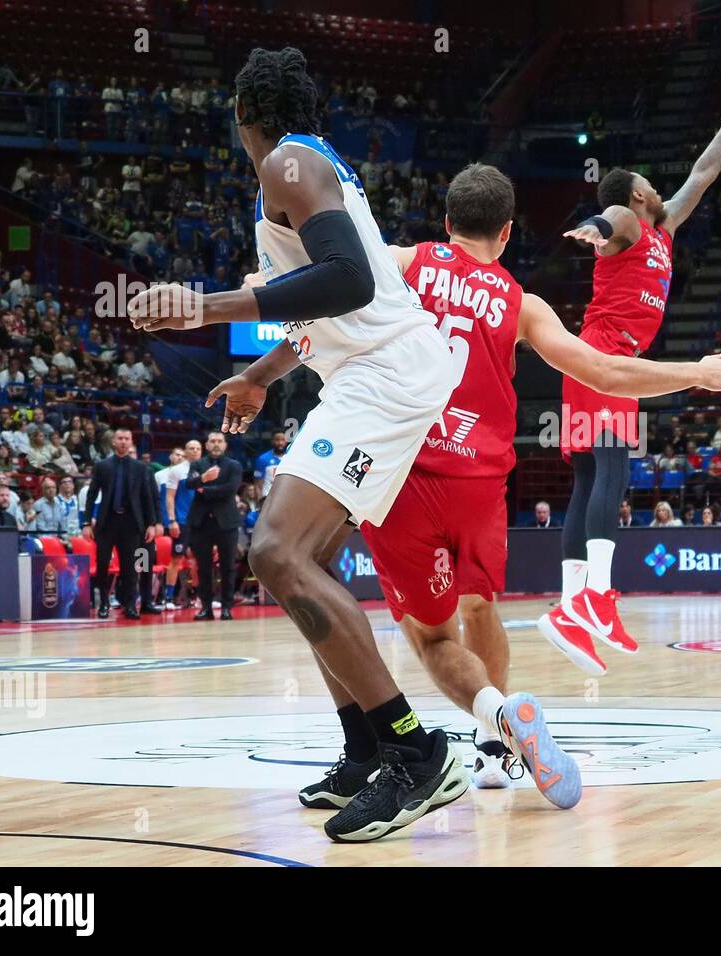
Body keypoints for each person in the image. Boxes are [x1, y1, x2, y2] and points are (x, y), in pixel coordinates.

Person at [130, 46, 467, 842]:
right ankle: (361, 751)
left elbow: (348, 281)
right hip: (374, 372)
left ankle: (419, 756)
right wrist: (262, 375)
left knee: (274, 552)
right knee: (297, 562)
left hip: (386, 376)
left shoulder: (287, 164)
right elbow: (332, 306)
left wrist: (204, 306)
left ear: (244, 117)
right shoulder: (310, 166)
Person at [358, 162, 721, 799]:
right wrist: (695, 371)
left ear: (447, 222)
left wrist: (252, 292)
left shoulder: (405, 263)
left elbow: (329, 275)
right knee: (481, 607)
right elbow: (606, 373)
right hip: (480, 479)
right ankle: (493, 752)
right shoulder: (521, 302)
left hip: (408, 471)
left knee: (428, 634)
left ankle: (495, 720)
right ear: (506, 233)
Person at [555, 82, 721, 654]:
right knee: (612, 472)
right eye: (649, 183)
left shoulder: (664, 231)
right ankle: (596, 598)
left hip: (595, 359)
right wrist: (592, 230)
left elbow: (703, 174)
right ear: (639, 193)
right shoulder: (626, 214)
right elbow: (607, 221)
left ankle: (574, 605)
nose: (656, 185)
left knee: (590, 479)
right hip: (604, 356)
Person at [82, 428, 158, 619]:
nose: (123, 441)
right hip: (107, 522)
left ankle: (131, 605)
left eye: (127, 438)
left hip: (131, 523)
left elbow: (147, 497)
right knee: (102, 564)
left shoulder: (140, 467)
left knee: (130, 566)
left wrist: (151, 523)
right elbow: (91, 495)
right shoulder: (102, 465)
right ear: (113, 442)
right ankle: (104, 604)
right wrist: (86, 522)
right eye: (120, 438)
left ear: (131, 442)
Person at [185, 431, 243, 620]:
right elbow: (189, 483)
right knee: (203, 567)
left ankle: (226, 607)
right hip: (201, 522)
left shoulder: (234, 466)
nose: (216, 444)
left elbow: (231, 489)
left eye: (220, 441)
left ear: (225, 445)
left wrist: (205, 489)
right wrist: (203, 479)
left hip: (226, 522)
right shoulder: (197, 464)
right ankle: (206, 608)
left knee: (228, 567)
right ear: (207, 445)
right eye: (212, 441)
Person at [163, 440, 201, 609]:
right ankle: (168, 598)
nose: (194, 451)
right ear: (185, 451)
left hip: (201, 522)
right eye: (191, 448)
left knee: (199, 561)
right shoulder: (177, 471)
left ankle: (199, 596)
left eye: (197, 449)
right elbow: (169, 497)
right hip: (182, 522)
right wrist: (172, 520)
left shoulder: (207, 469)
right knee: (176, 560)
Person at [253, 429, 288, 501]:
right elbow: (258, 485)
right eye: (277, 440)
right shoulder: (263, 459)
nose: (280, 443)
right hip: (268, 500)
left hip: (286, 499)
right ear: (272, 441)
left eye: (283, 440)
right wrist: (260, 503)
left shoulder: (291, 458)